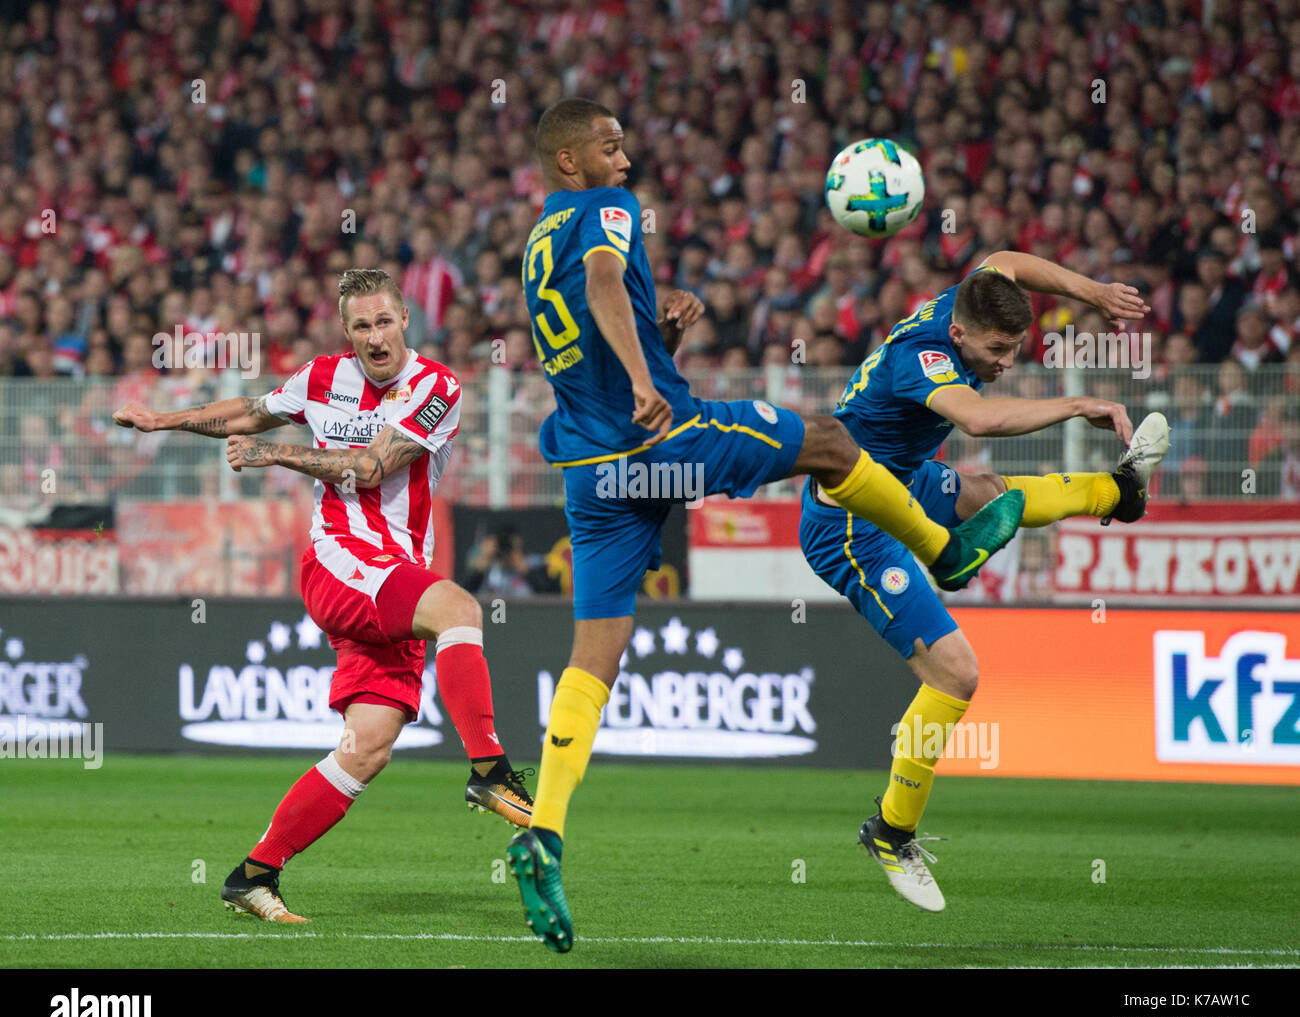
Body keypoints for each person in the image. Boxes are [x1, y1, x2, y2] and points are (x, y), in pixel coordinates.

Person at [505, 97, 1026, 953]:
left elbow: (584, 323)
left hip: (590, 472)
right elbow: (602, 282)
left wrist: (655, 342)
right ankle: (944, 546)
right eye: (610, 144)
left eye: (625, 141)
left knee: (593, 655)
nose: (626, 157)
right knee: (828, 441)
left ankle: (547, 830)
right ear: (570, 162)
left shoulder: (536, 236)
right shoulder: (606, 208)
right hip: (658, 434)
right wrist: (647, 376)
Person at [113, 268, 533, 922]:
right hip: (340, 562)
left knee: (367, 746)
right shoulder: (319, 377)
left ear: (404, 321)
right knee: (460, 608)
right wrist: (160, 420)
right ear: (347, 331)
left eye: (384, 321)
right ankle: (489, 770)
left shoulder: (436, 388)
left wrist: (274, 456)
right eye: (361, 325)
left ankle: (253, 875)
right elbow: (247, 412)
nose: (374, 336)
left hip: (392, 578)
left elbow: (370, 467)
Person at [799, 252, 1170, 911]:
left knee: (989, 492)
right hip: (851, 522)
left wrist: (1093, 293)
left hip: (898, 478)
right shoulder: (924, 358)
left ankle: (1119, 493)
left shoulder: (964, 300)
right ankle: (891, 830)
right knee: (958, 675)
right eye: (998, 350)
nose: (1007, 360)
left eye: (1016, 346)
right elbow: (979, 419)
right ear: (962, 337)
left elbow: (1003, 262)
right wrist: (1078, 402)